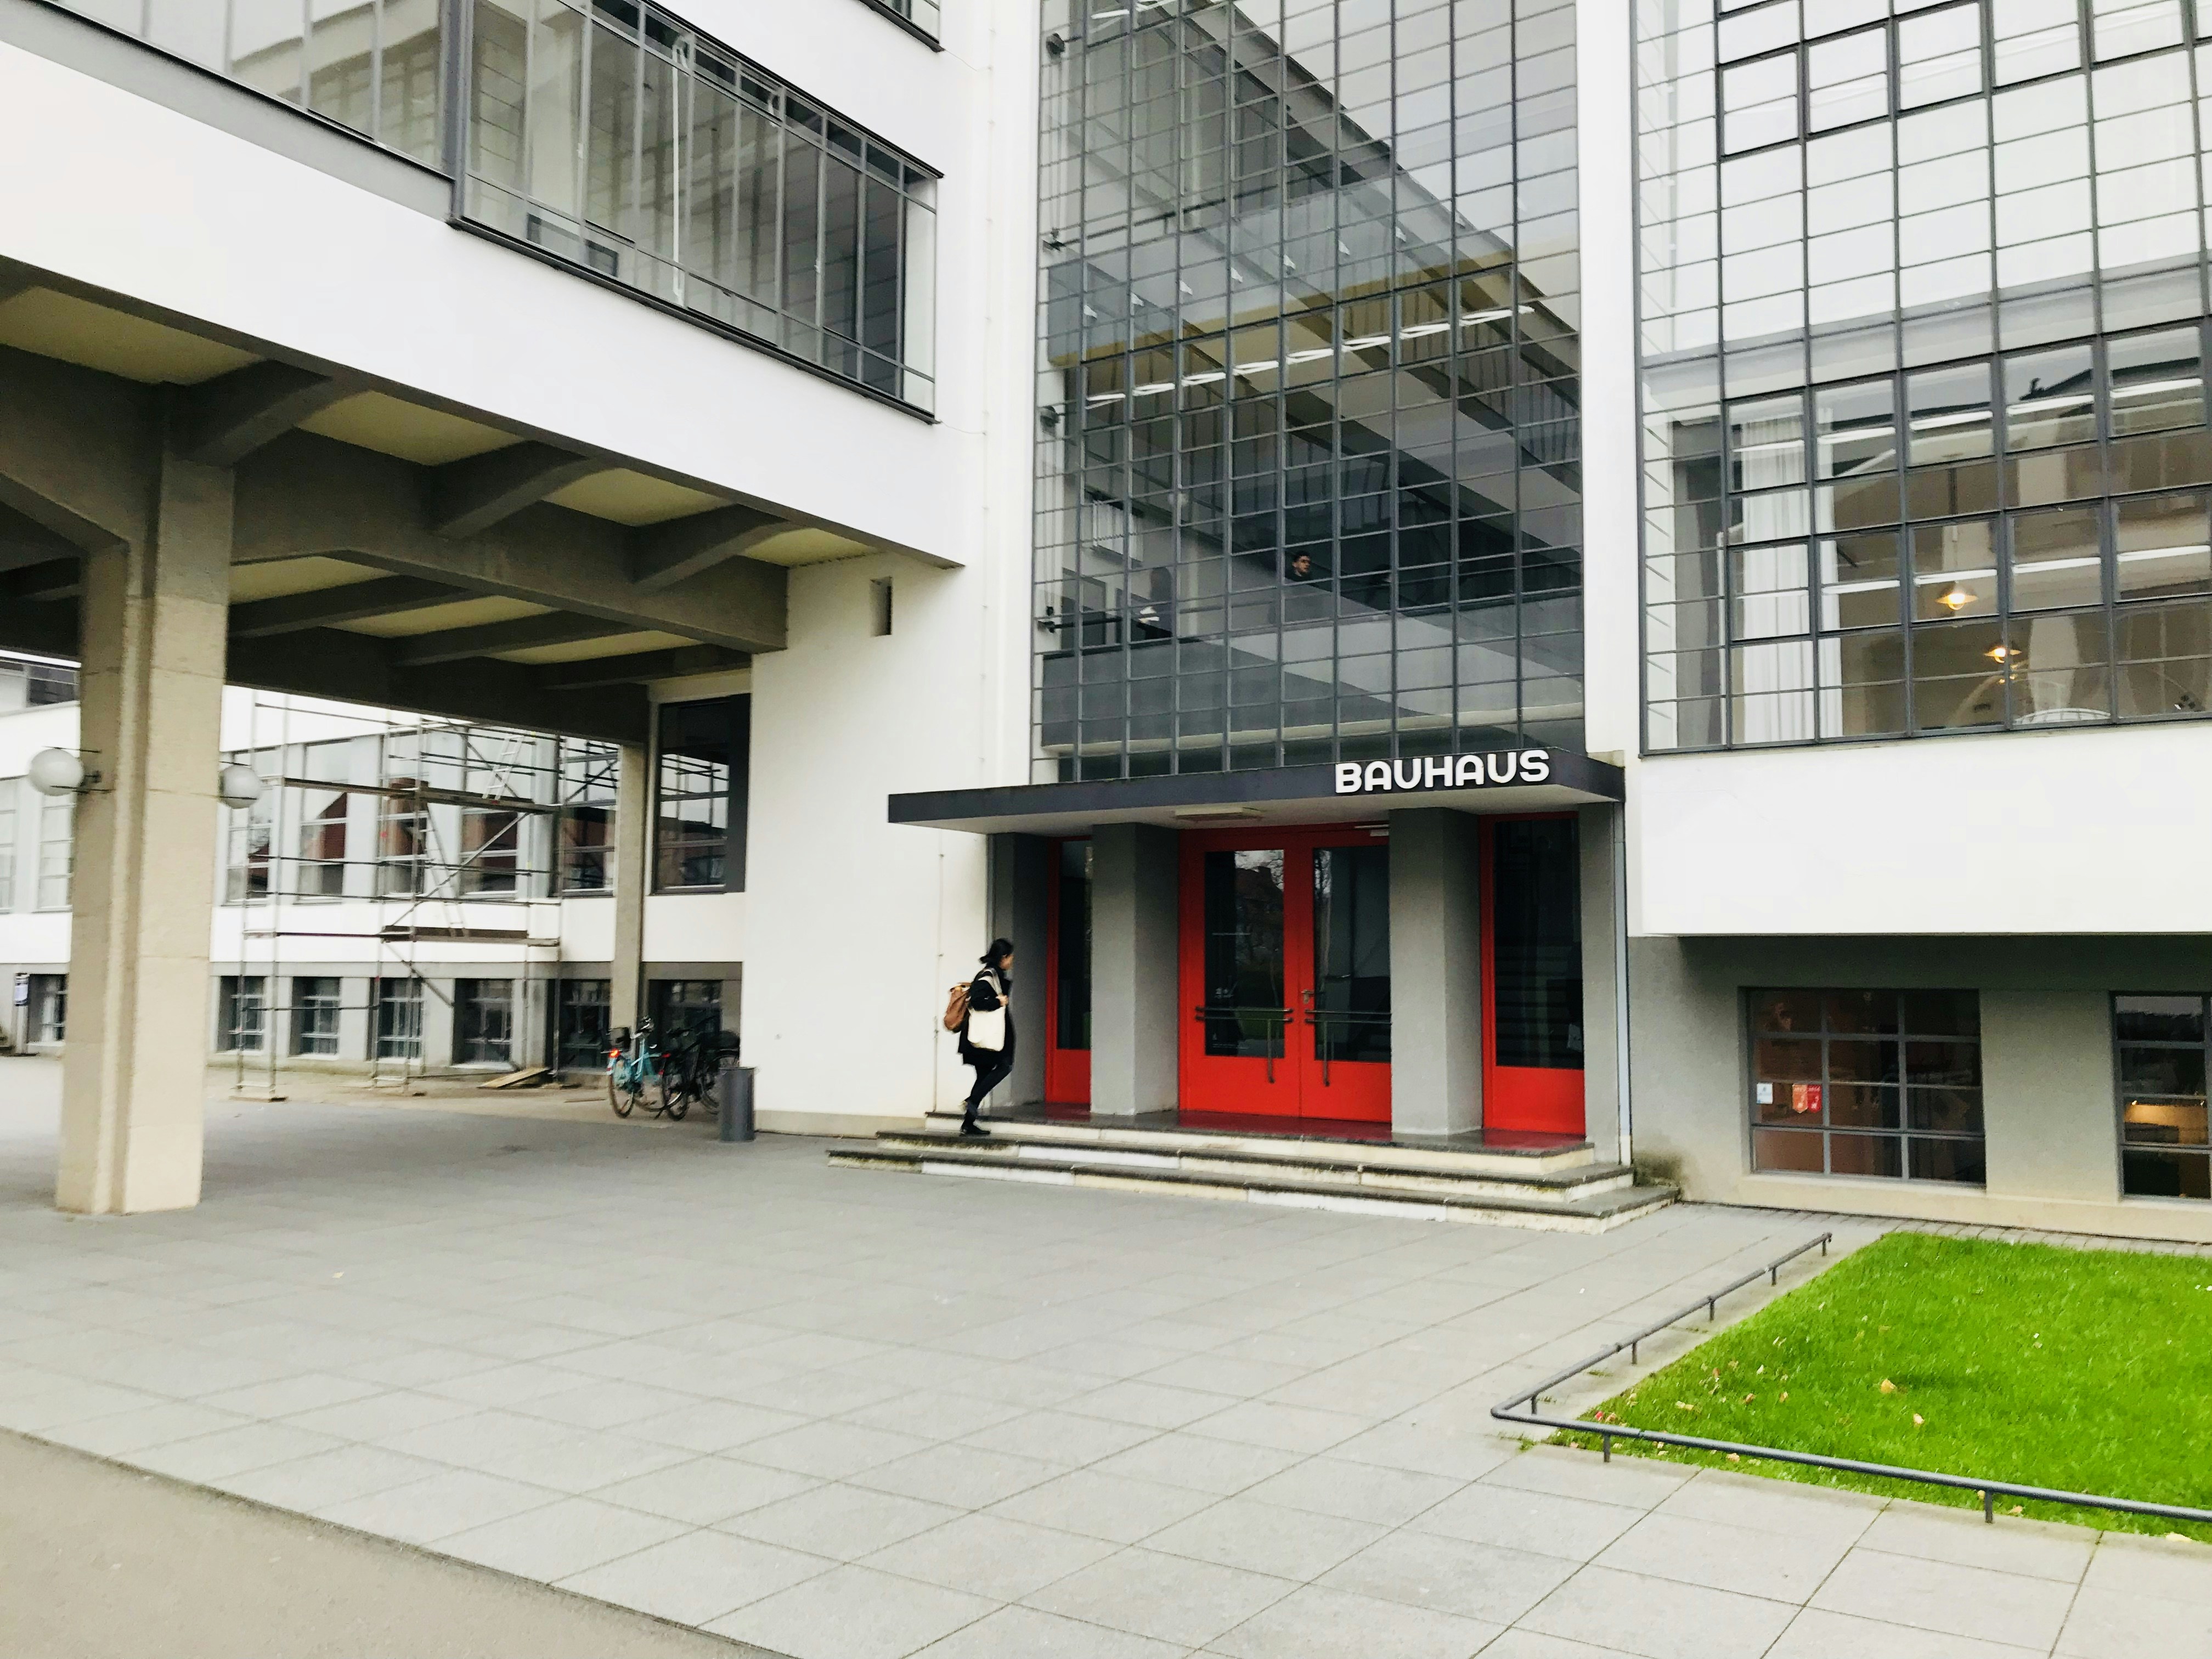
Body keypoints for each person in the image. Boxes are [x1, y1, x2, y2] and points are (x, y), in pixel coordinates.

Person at [956, 939, 1015, 1137]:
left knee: (983, 1076)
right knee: (1005, 1066)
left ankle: (968, 1123)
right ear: (1003, 958)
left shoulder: (995, 975)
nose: (1012, 961)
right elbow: (977, 1001)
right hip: (982, 1038)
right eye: (1010, 957)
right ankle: (971, 1103)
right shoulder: (989, 976)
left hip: (985, 1037)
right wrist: (998, 1002)